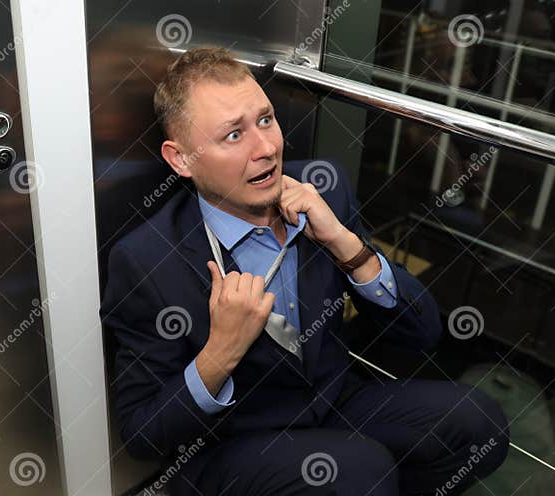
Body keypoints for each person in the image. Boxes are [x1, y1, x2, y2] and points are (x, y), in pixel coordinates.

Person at [101, 47, 509, 495]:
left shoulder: (322, 190)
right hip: (236, 443)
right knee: (360, 472)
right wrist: (221, 353)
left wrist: (346, 246)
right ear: (181, 160)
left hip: (335, 403)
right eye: (233, 136)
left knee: (478, 426)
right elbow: (142, 433)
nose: (267, 148)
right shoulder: (145, 260)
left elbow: (422, 334)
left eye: (265, 119)